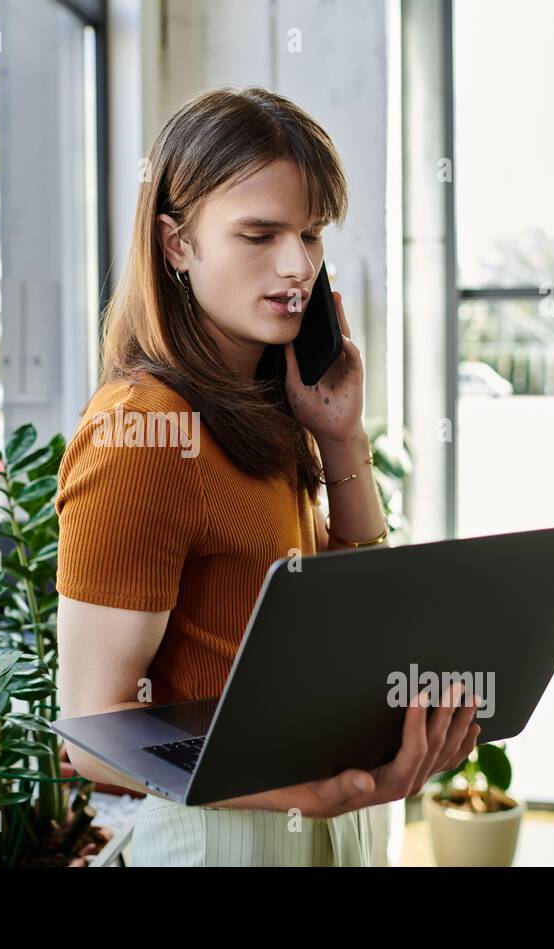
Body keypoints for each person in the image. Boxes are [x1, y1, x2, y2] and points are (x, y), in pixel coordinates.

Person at [54, 86, 480, 866]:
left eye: (312, 235)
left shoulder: (265, 406)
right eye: (260, 234)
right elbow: (92, 734)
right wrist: (295, 792)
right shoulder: (140, 433)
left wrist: (341, 437)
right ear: (176, 243)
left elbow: (353, 614)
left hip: (328, 811)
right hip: (227, 831)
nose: (298, 266)